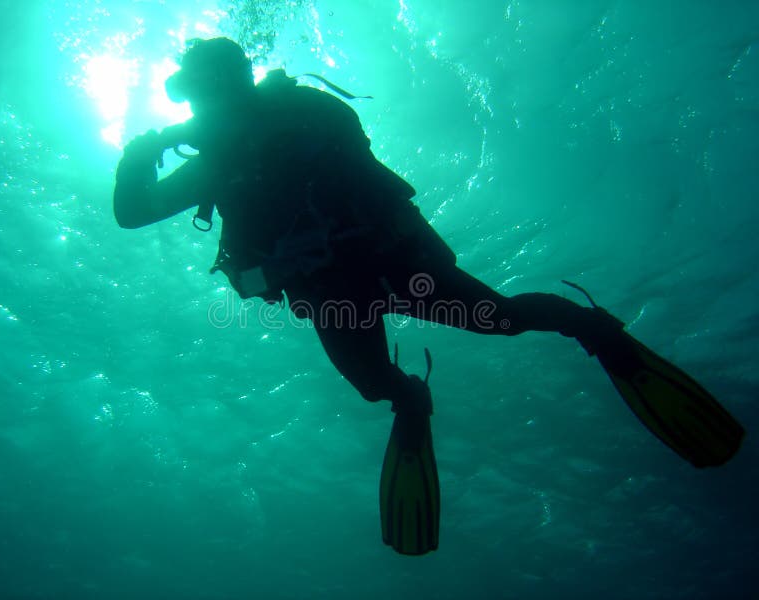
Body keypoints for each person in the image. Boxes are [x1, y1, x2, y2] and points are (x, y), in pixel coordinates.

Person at [113, 37, 744, 555]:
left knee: (500, 319)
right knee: (371, 384)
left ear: (236, 78)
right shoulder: (216, 161)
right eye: (192, 92)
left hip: (398, 262)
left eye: (206, 86)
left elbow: (341, 135)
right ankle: (411, 399)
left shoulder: (301, 112)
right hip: (335, 294)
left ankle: (590, 328)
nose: (200, 101)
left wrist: (213, 136)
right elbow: (133, 212)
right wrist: (138, 156)